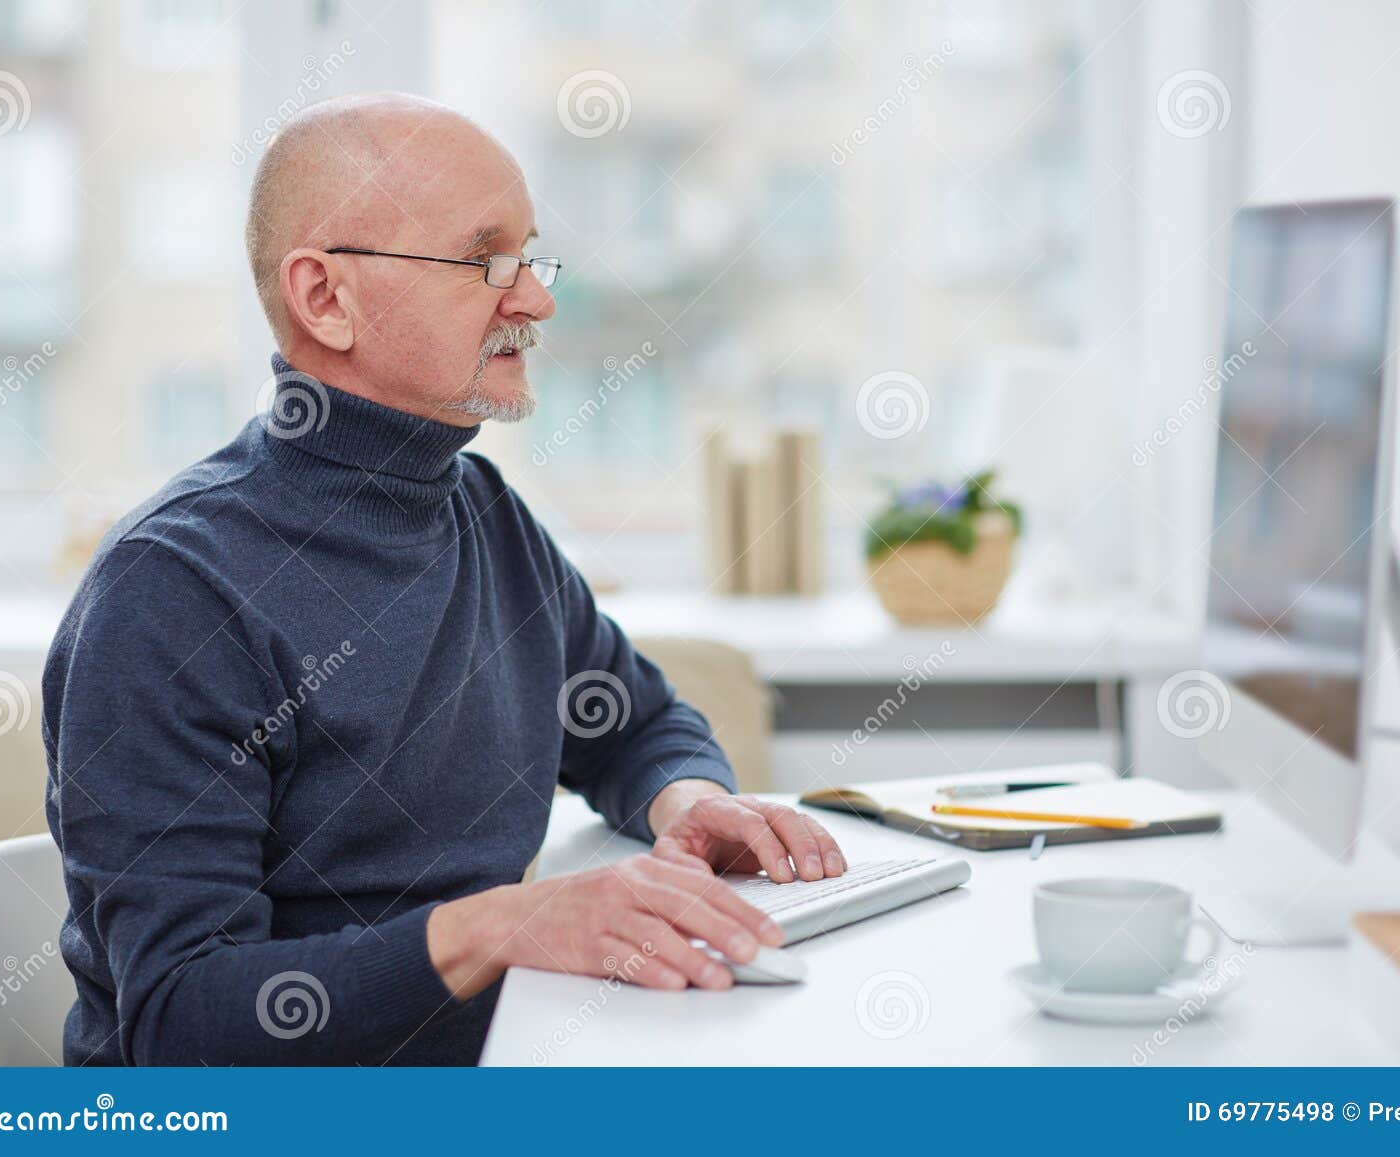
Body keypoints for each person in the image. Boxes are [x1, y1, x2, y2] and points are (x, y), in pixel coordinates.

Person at [43, 92, 845, 1066]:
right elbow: (180, 1025)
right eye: (483, 260)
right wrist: (502, 926)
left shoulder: (483, 513)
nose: (535, 299)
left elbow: (634, 725)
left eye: (530, 256)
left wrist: (688, 802)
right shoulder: (170, 592)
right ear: (325, 297)